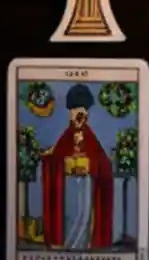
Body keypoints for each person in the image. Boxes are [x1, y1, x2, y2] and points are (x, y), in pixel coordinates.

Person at [41, 84, 113, 250]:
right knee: (70, 215)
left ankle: (80, 248)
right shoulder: (66, 135)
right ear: (70, 112)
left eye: (82, 110)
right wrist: (51, 157)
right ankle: (69, 249)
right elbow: (57, 156)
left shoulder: (90, 135)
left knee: (85, 214)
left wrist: (92, 163)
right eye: (75, 110)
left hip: (86, 179)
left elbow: (101, 159)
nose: (79, 115)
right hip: (69, 181)